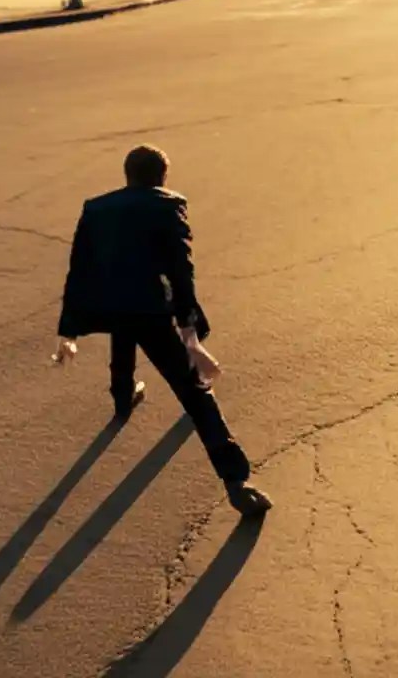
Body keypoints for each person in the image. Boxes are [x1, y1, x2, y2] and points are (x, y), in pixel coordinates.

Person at [53, 144, 272, 517]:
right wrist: (190, 329)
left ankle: (123, 399)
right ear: (162, 177)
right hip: (152, 310)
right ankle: (236, 482)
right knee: (196, 392)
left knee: (123, 332)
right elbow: (180, 269)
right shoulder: (169, 205)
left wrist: (68, 330)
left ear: (127, 175)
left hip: (111, 304)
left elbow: (79, 269)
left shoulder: (96, 207)